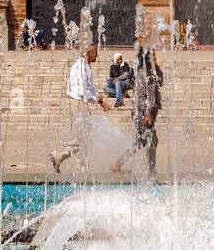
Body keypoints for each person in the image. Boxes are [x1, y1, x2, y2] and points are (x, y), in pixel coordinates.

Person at [48, 44, 108, 173]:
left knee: (86, 137)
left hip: (81, 103)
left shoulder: (86, 67)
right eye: (95, 52)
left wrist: (100, 101)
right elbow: (82, 91)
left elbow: (90, 88)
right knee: (85, 138)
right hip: (77, 103)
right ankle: (79, 168)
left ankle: (59, 156)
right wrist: (97, 99)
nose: (97, 55)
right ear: (88, 52)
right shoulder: (81, 67)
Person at [111, 46, 164, 175]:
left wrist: (157, 67)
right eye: (153, 56)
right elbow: (142, 96)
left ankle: (119, 163)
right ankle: (150, 170)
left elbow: (161, 82)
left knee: (144, 141)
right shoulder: (144, 73)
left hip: (145, 112)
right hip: (143, 113)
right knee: (149, 140)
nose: (156, 58)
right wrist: (147, 114)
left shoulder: (150, 71)